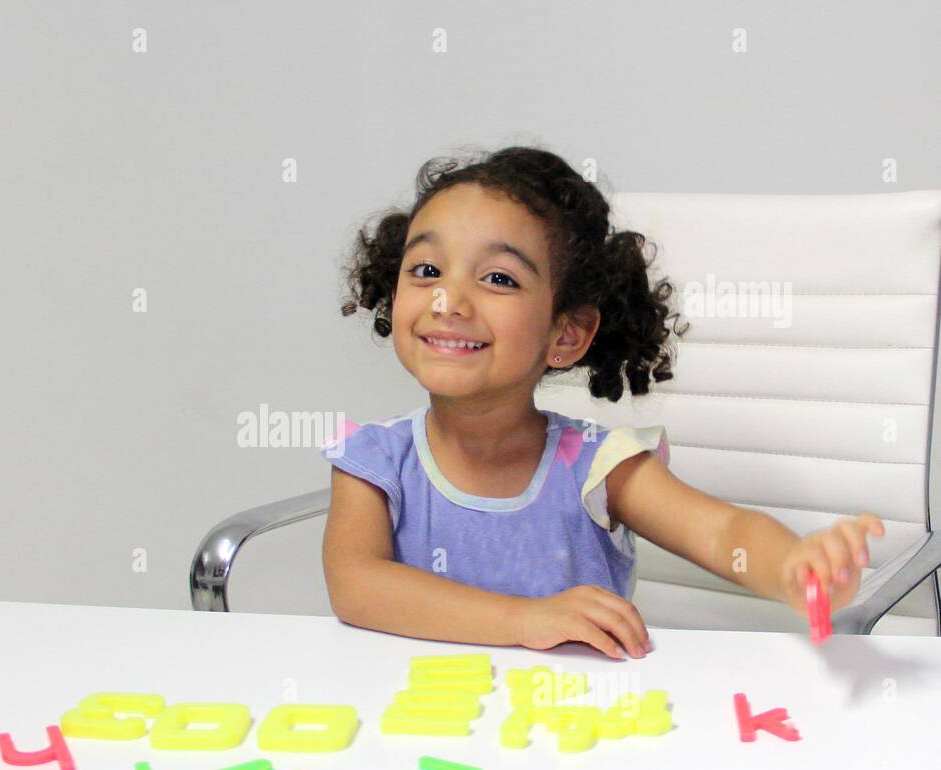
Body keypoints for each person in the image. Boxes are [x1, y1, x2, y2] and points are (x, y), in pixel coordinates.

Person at [320, 146, 884, 659]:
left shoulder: (594, 465)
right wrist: (524, 619)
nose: (447, 299)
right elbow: (357, 585)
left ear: (565, 335)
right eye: (426, 270)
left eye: (498, 278)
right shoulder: (376, 460)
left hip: (578, 736)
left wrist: (794, 566)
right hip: (420, 730)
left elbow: (722, 533)